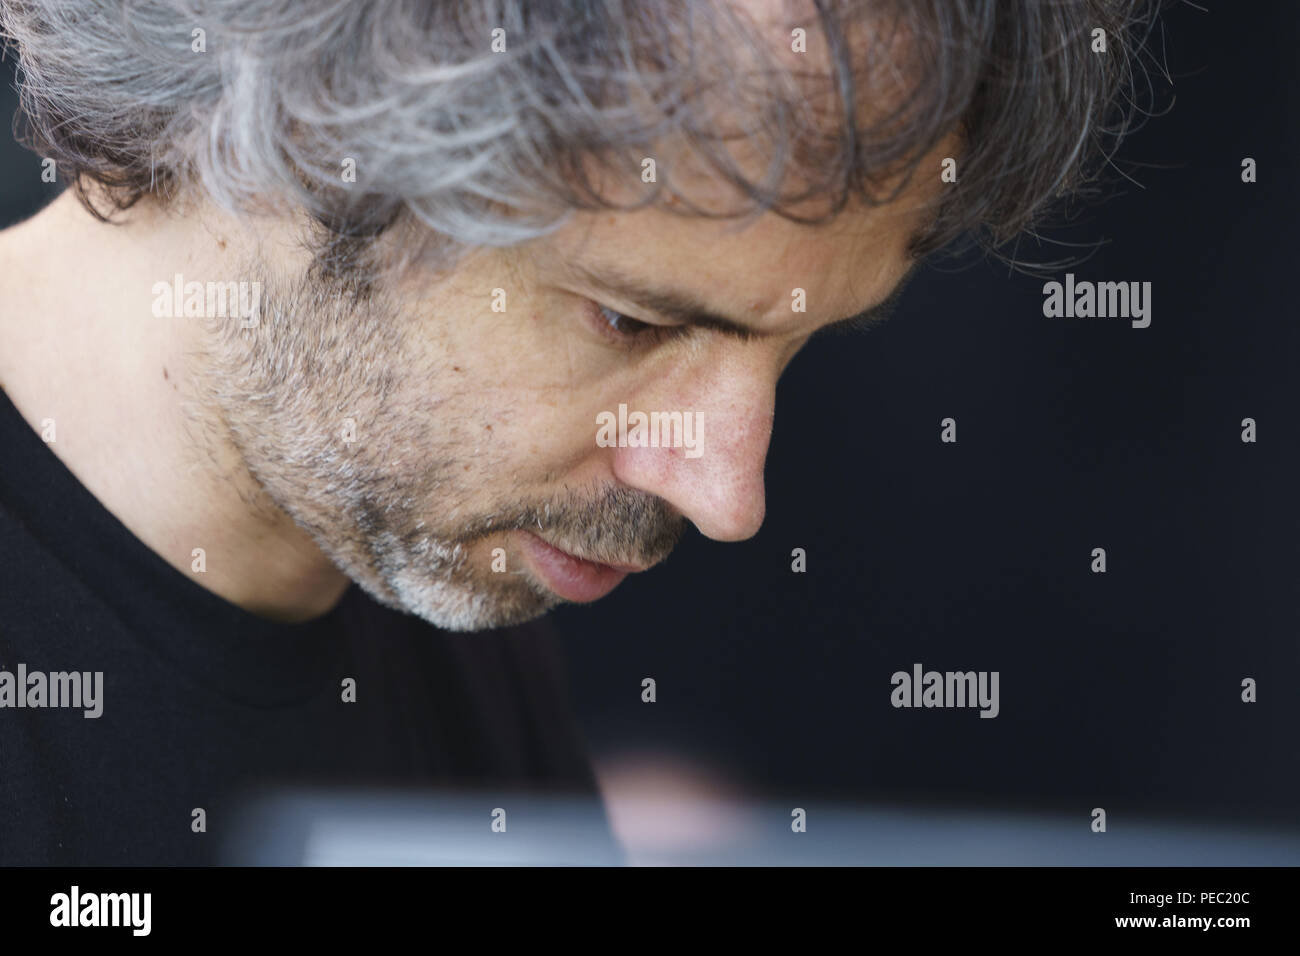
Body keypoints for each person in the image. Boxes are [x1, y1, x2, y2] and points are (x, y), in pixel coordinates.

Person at [0, 0, 1154, 864]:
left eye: (798, 344)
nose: (725, 491)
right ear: (291, 140)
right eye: (630, 320)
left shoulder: (427, 547)